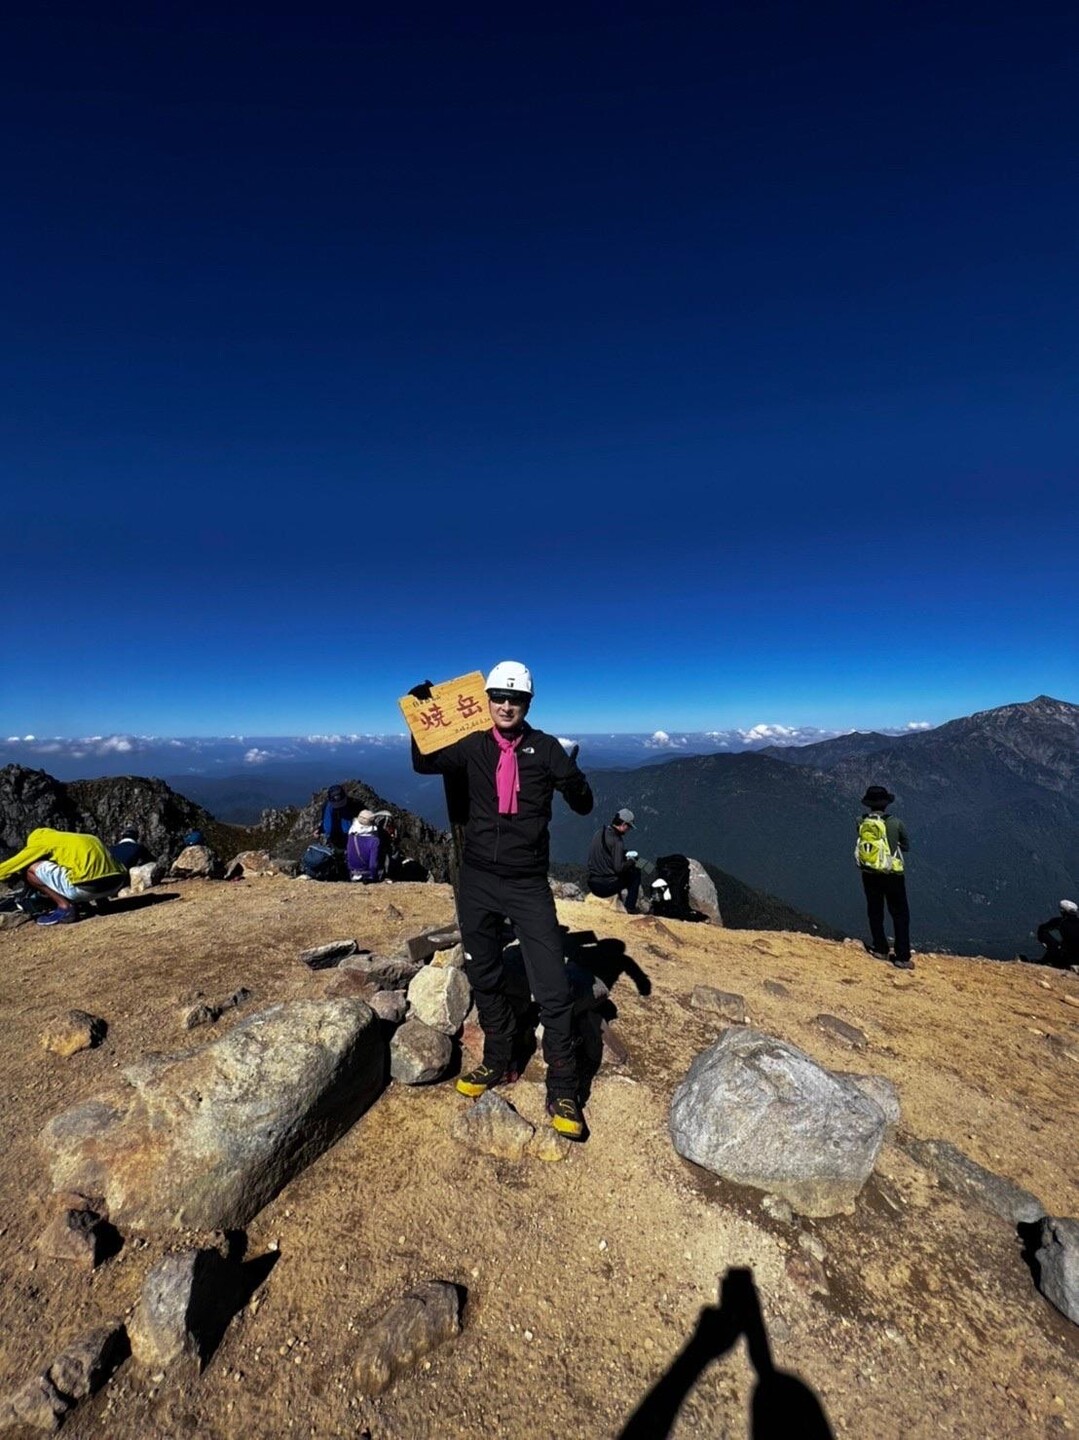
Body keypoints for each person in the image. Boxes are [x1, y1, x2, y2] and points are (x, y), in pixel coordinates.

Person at [410, 661, 594, 1138]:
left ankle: (564, 1087)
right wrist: (420, 716)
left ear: (528, 704)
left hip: (527, 882)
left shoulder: (547, 749)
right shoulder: (474, 746)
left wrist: (572, 777)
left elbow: (584, 803)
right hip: (477, 879)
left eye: (515, 699)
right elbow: (424, 762)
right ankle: (499, 1059)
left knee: (552, 983)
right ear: (487, 701)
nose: (505, 705)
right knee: (484, 971)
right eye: (498, 697)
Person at [0, 827, 127, 926]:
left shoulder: (41, 841)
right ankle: (103, 904)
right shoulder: (86, 837)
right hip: (116, 884)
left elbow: (10, 866)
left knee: (31, 870)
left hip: (87, 889)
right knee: (85, 866)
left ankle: (64, 908)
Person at [855, 785, 912, 970]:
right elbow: (906, 845)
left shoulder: (861, 821)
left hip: (869, 873)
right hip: (892, 874)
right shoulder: (896, 823)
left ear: (868, 804)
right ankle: (902, 956)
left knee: (875, 910)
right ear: (886, 804)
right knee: (900, 914)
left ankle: (880, 948)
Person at [587, 809, 642, 913]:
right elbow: (619, 869)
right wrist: (632, 861)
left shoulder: (600, 832)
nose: (628, 830)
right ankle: (630, 908)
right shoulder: (617, 841)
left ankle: (620, 900)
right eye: (628, 827)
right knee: (635, 874)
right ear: (623, 824)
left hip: (592, 882)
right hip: (604, 887)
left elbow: (604, 854)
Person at [1034, 900, 1079, 968]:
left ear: (1062, 911)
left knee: (1053, 944)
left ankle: (1046, 961)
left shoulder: (1059, 922)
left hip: (1064, 959)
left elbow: (1042, 930)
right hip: (1075, 959)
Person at [314, 784, 358, 851]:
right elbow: (325, 822)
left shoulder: (353, 805)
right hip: (333, 842)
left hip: (350, 842)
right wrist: (319, 830)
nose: (339, 806)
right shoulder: (326, 807)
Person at [346, 809, 385, 883]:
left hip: (353, 872)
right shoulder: (374, 841)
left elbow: (349, 853)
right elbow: (372, 865)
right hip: (366, 873)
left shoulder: (351, 833)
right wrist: (374, 878)